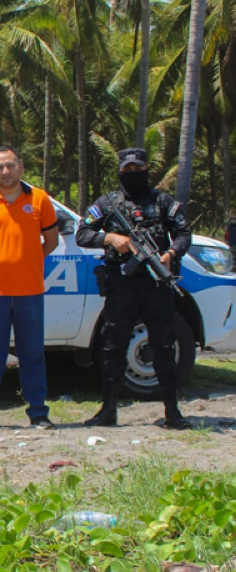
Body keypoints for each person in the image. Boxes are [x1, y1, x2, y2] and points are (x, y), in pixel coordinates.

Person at [76, 148, 193, 429]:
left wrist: (171, 254)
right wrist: (110, 238)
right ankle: (109, 410)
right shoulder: (107, 204)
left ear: (145, 170)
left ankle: (172, 412)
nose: (131, 175)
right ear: (120, 171)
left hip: (156, 285)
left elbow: (183, 233)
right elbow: (83, 232)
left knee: (164, 346)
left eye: (136, 170)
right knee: (112, 347)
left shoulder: (162, 202)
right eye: (126, 170)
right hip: (122, 285)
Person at [0, 146, 59, 432]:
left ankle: (38, 413)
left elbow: (51, 241)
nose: (5, 171)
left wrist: (28, 261)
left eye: (10, 165)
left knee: (32, 354)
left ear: (21, 167)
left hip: (30, 291)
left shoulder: (40, 199)